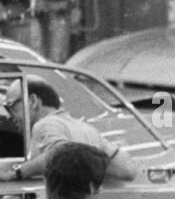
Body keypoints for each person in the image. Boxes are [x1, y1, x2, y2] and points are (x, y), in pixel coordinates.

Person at [0, 77, 137, 183]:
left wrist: (17, 172)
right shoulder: (86, 129)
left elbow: (61, 155)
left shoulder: (44, 124)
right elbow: (128, 169)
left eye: (10, 106)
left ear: (33, 101)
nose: (9, 115)